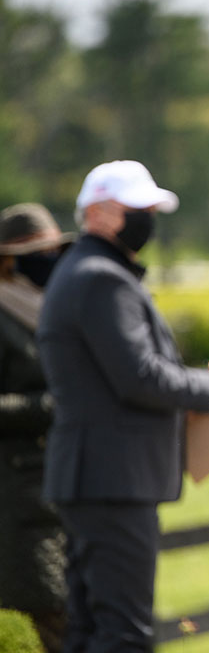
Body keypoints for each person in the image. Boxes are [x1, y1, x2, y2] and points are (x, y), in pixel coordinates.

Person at [38, 161, 209, 652]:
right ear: (103, 213)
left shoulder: (81, 272)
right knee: (125, 633)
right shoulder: (101, 279)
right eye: (142, 209)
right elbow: (140, 376)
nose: (149, 218)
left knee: (89, 628)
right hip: (114, 481)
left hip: (93, 478)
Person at [0, 203, 74, 652]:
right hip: (21, 490)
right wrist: (52, 405)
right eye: (34, 252)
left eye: (50, 250)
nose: (47, 260)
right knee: (59, 619)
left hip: (65, 480)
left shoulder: (56, 307)